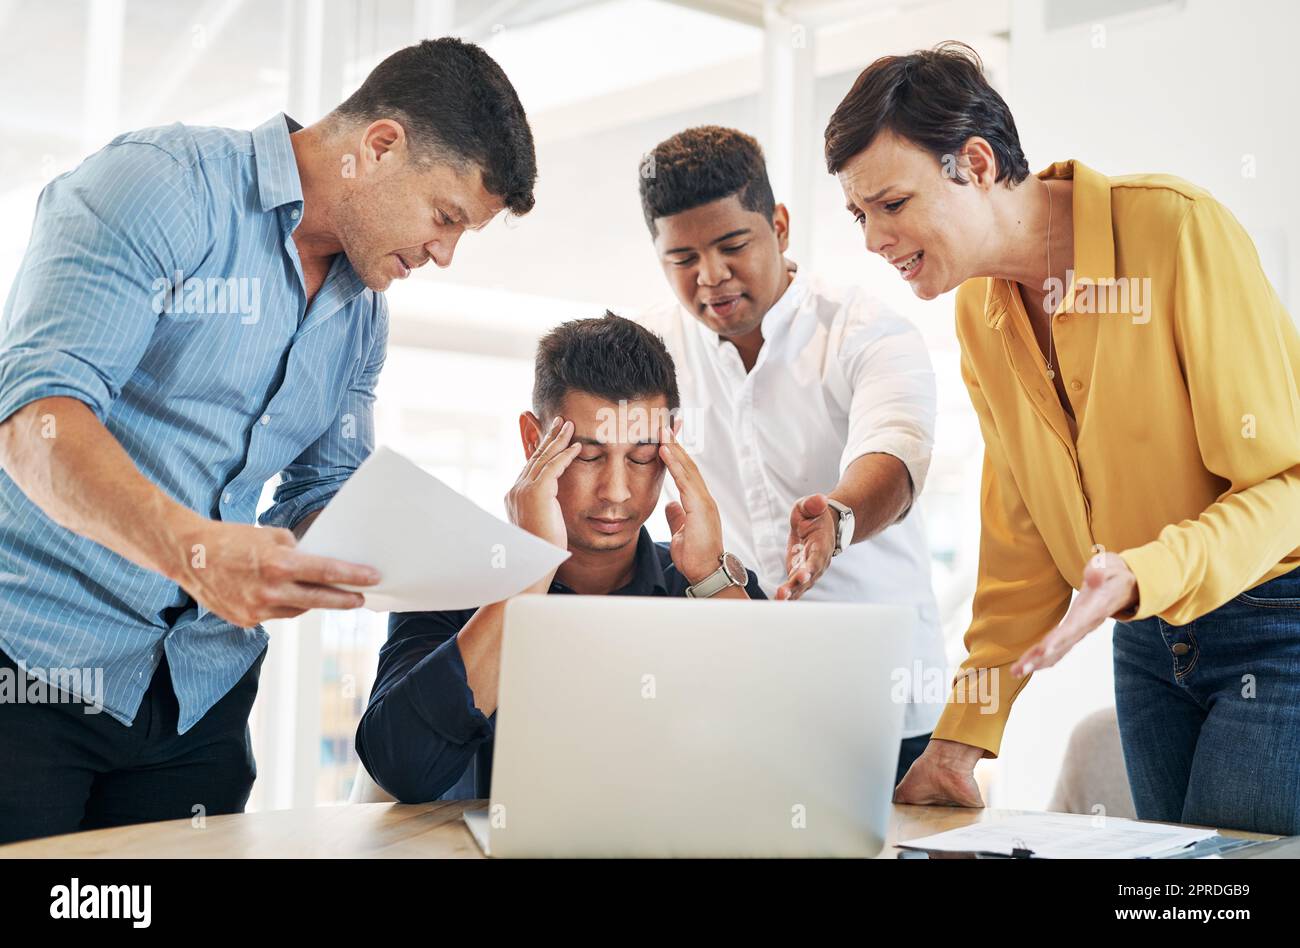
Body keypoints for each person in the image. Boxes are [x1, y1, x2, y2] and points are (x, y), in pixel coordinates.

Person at [0, 37, 537, 844]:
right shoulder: (156, 188)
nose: (445, 252)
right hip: (35, 666)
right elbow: (35, 422)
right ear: (380, 145)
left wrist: (413, 550)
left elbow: (323, 493)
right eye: (445, 215)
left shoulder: (362, 317)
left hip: (200, 698)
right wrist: (196, 552)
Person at [825, 42, 1300, 835]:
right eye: (859, 214)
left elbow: (1287, 484)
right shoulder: (981, 315)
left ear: (974, 163)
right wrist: (960, 738)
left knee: (1224, 889)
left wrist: (1143, 569)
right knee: (1171, 890)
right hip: (1147, 644)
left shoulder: (1175, 232)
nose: (874, 238)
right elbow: (1020, 549)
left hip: (1276, 623)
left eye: (892, 203)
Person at [634, 126, 946, 787]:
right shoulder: (652, 351)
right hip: (740, 688)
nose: (709, 277)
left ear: (778, 226)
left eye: (731, 246)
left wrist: (839, 516)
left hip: (881, 696)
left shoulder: (869, 332)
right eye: (682, 258)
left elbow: (895, 452)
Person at [356, 314, 765, 803]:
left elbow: (789, 749)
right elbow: (402, 769)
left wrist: (713, 579)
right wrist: (532, 572)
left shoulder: (706, 582)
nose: (616, 492)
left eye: (640, 457)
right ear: (535, 442)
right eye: (588, 456)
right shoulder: (455, 581)